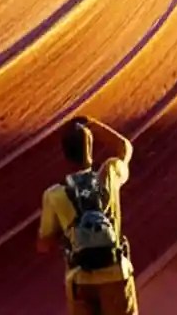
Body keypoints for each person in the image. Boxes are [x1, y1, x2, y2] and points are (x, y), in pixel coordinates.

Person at [37, 115, 138, 315]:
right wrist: (90, 123)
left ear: (65, 156)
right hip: (116, 273)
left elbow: (44, 245)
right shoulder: (109, 173)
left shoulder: (54, 194)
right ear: (90, 150)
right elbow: (125, 147)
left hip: (80, 279)